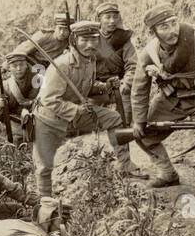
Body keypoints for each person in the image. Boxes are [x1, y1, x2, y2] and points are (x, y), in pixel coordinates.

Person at [132, 4, 195, 200]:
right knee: (143, 134)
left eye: (174, 23)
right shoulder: (150, 53)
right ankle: (167, 173)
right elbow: (140, 88)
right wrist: (139, 120)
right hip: (172, 97)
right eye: (164, 27)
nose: (172, 30)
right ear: (153, 32)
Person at [31, 21, 129, 197]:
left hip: (77, 114)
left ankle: (124, 166)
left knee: (113, 118)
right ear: (74, 40)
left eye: (94, 39)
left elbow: (85, 86)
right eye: (85, 39)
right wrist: (76, 110)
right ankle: (44, 204)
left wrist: (104, 86)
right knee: (44, 166)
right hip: (49, 119)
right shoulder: (60, 65)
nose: (90, 45)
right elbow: (49, 99)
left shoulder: (90, 60)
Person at [92, 2, 137, 127]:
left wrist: (125, 83)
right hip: (95, 86)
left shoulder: (123, 38)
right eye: (107, 17)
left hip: (118, 85)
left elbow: (133, 65)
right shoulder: (91, 38)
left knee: (125, 123)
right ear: (99, 19)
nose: (112, 21)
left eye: (115, 17)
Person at [0, 51, 40, 144]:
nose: (18, 69)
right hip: (15, 121)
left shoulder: (36, 79)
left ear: (26, 65)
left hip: (35, 117)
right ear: (9, 68)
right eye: (14, 66)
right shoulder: (6, 85)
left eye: (21, 65)